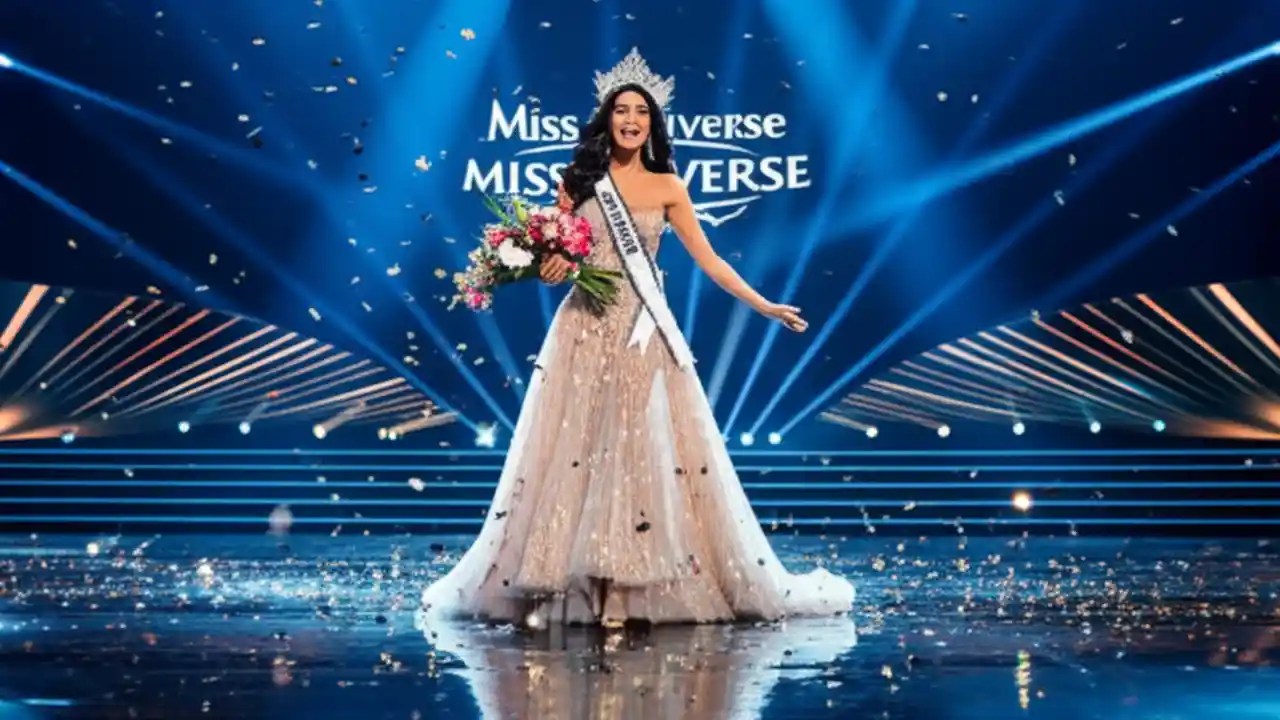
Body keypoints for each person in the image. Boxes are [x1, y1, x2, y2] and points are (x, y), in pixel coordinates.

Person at [418, 48, 854, 628]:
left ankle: (629, 586)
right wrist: (548, 266)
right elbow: (562, 256)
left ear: (653, 123)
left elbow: (711, 261)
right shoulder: (577, 181)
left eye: (640, 113)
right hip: (583, 327)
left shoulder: (670, 185)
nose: (630, 120)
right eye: (621, 110)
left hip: (642, 329)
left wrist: (764, 305)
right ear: (607, 119)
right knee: (576, 453)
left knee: (638, 451)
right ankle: (573, 581)